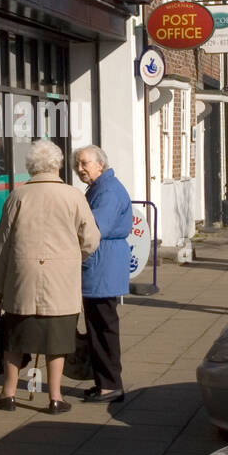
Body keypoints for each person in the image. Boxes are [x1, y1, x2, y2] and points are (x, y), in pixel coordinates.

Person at [0, 140, 100, 414]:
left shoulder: (18, 196)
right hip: (61, 280)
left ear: (30, 167)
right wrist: (74, 258)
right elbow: (91, 239)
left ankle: (8, 393)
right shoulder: (74, 196)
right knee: (57, 340)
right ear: (58, 165)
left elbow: (2, 244)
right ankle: (56, 397)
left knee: (15, 336)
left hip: (22, 278)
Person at [74, 145, 133, 404]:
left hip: (102, 266)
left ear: (100, 164)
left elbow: (95, 226)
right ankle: (105, 382)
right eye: (77, 164)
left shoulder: (107, 190)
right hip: (102, 265)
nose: (80, 169)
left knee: (103, 325)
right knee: (98, 325)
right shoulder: (101, 187)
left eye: (84, 163)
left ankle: (110, 385)